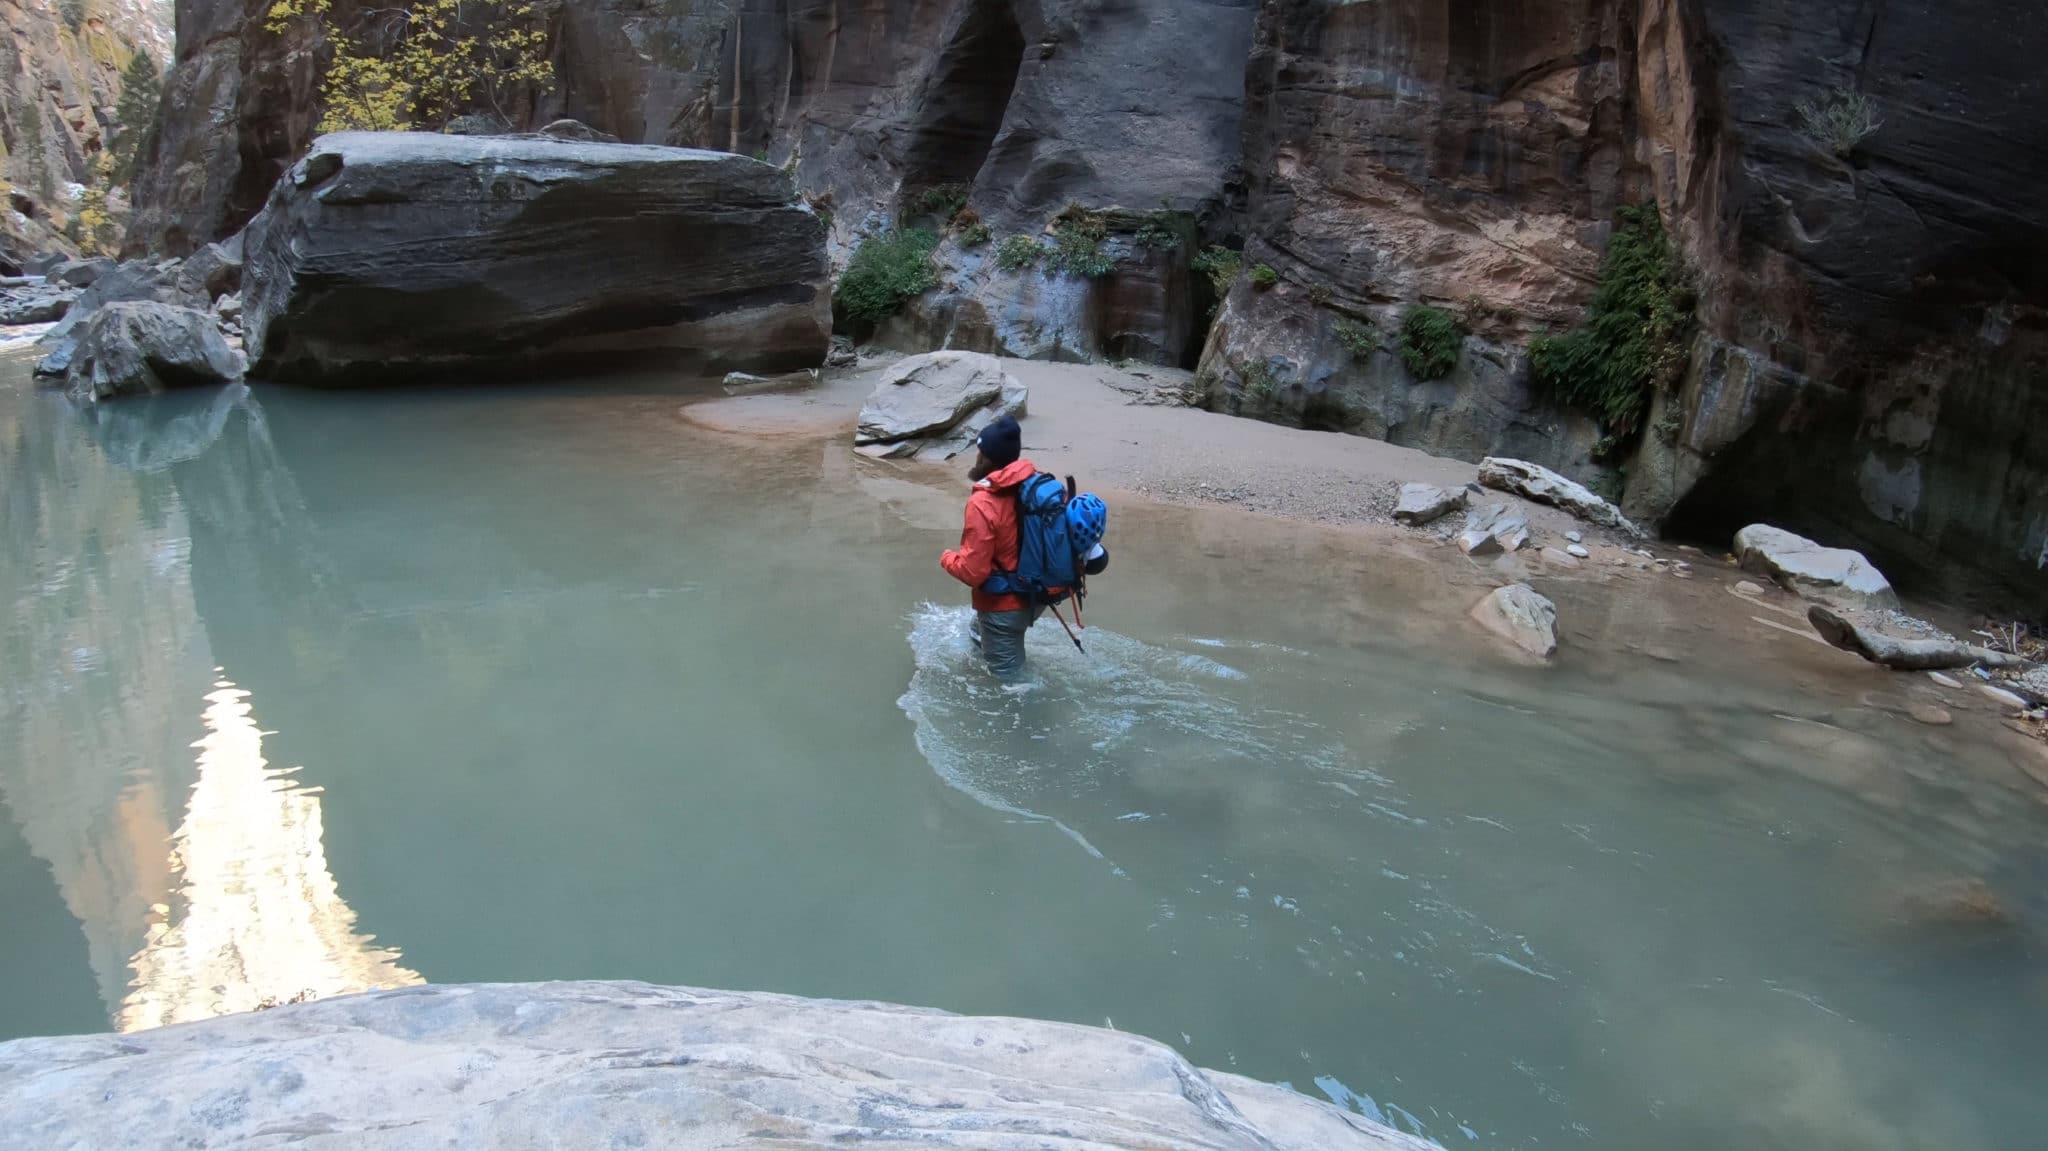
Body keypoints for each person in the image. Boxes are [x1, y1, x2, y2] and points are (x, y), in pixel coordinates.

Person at [940, 415, 1043, 681]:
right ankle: (988, 651)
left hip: (1005, 605)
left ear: (985, 457)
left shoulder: (983, 503)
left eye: (979, 451)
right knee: (977, 630)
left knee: (1011, 685)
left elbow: (975, 572)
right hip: (1038, 593)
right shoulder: (1036, 485)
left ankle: (1032, 716)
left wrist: (948, 558)